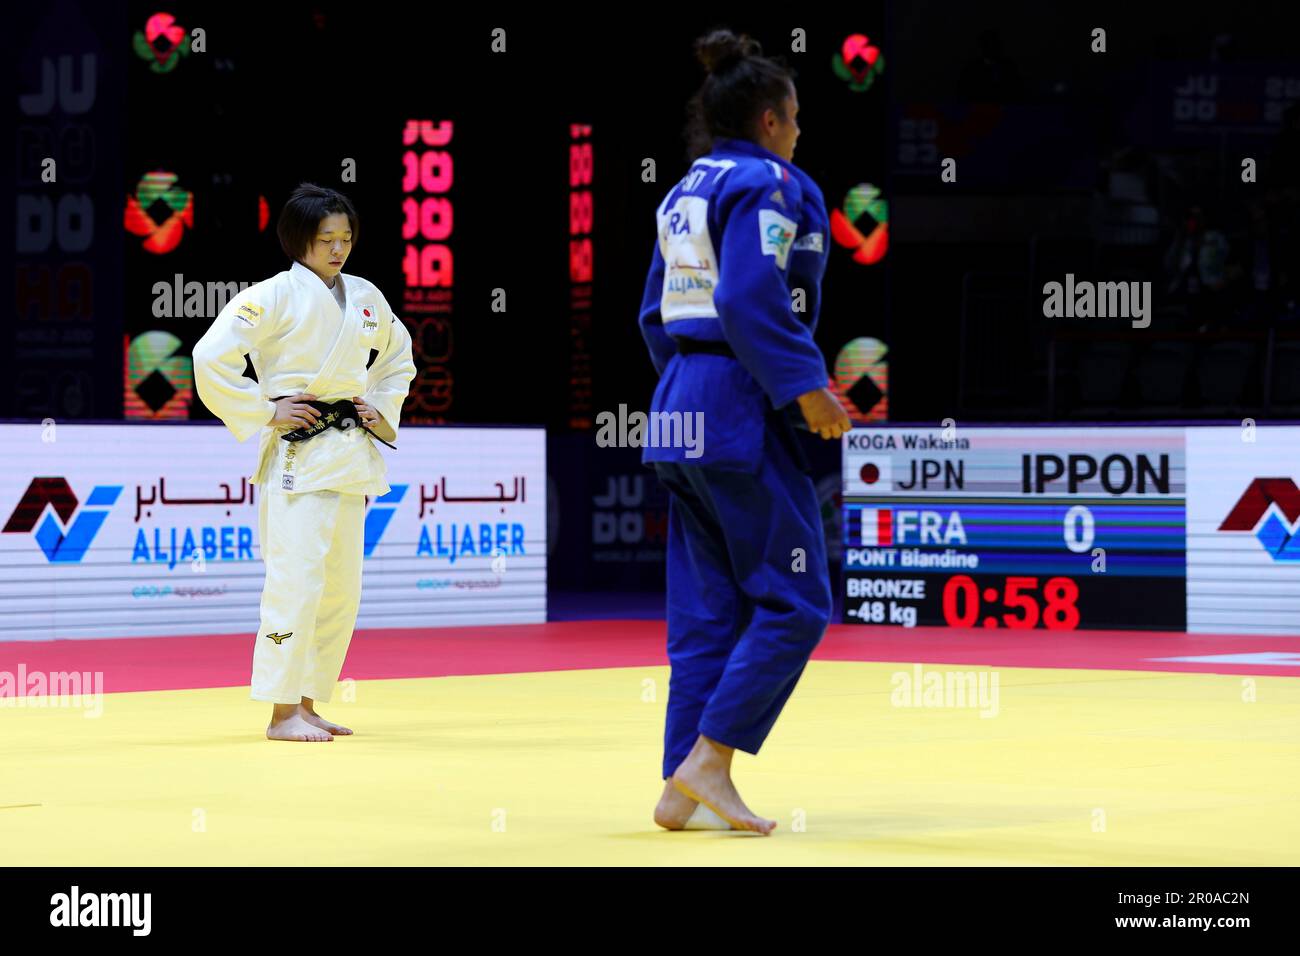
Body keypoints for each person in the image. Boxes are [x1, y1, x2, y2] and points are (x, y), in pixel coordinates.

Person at [638, 29, 850, 834]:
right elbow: (752, 299)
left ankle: (677, 783)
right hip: (737, 397)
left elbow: (653, 312)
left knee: (706, 608)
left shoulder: (684, 187)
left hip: (679, 402)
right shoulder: (772, 182)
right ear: (770, 119)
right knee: (797, 601)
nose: (799, 131)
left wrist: (684, 387)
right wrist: (805, 388)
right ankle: (711, 760)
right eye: (794, 117)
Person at [192, 183, 416, 742]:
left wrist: (379, 407)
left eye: (346, 238)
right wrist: (265, 410)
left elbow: (399, 360)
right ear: (299, 241)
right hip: (298, 456)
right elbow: (208, 356)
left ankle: (308, 703)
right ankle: (280, 712)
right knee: (295, 585)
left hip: (349, 458)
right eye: (326, 240)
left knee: (340, 590)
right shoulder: (271, 296)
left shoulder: (366, 297)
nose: (339, 249)